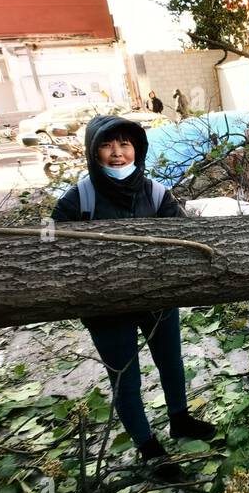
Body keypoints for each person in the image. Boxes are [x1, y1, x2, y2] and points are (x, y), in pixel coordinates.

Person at [51, 115, 216, 472]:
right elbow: (51, 249)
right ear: (93, 152)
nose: (117, 154)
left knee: (171, 362)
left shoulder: (156, 193)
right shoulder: (77, 200)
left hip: (157, 301)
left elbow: (181, 240)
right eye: (107, 145)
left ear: (137, 150)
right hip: (106, 309)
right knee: (126, 376)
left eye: (125, 145)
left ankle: (180, 419)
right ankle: (149, 448)